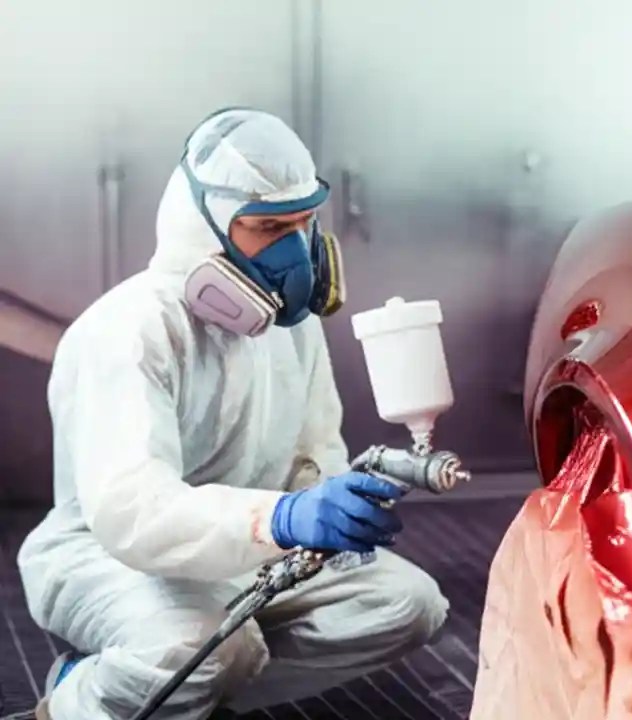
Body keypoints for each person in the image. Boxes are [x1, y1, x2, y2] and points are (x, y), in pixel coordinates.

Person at [16, 108, 450, 720]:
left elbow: (313, 449)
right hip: (110, 556)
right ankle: (75, 700)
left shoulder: (286, 325)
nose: (296, 253)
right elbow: (131, 513)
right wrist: (285, 517)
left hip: (255, 544)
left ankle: (185, 688)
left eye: (303, 224)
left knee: (408, 605)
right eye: (269, 228)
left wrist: (331, 501)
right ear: (207, 228)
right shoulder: (129, 331)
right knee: (206, 650)